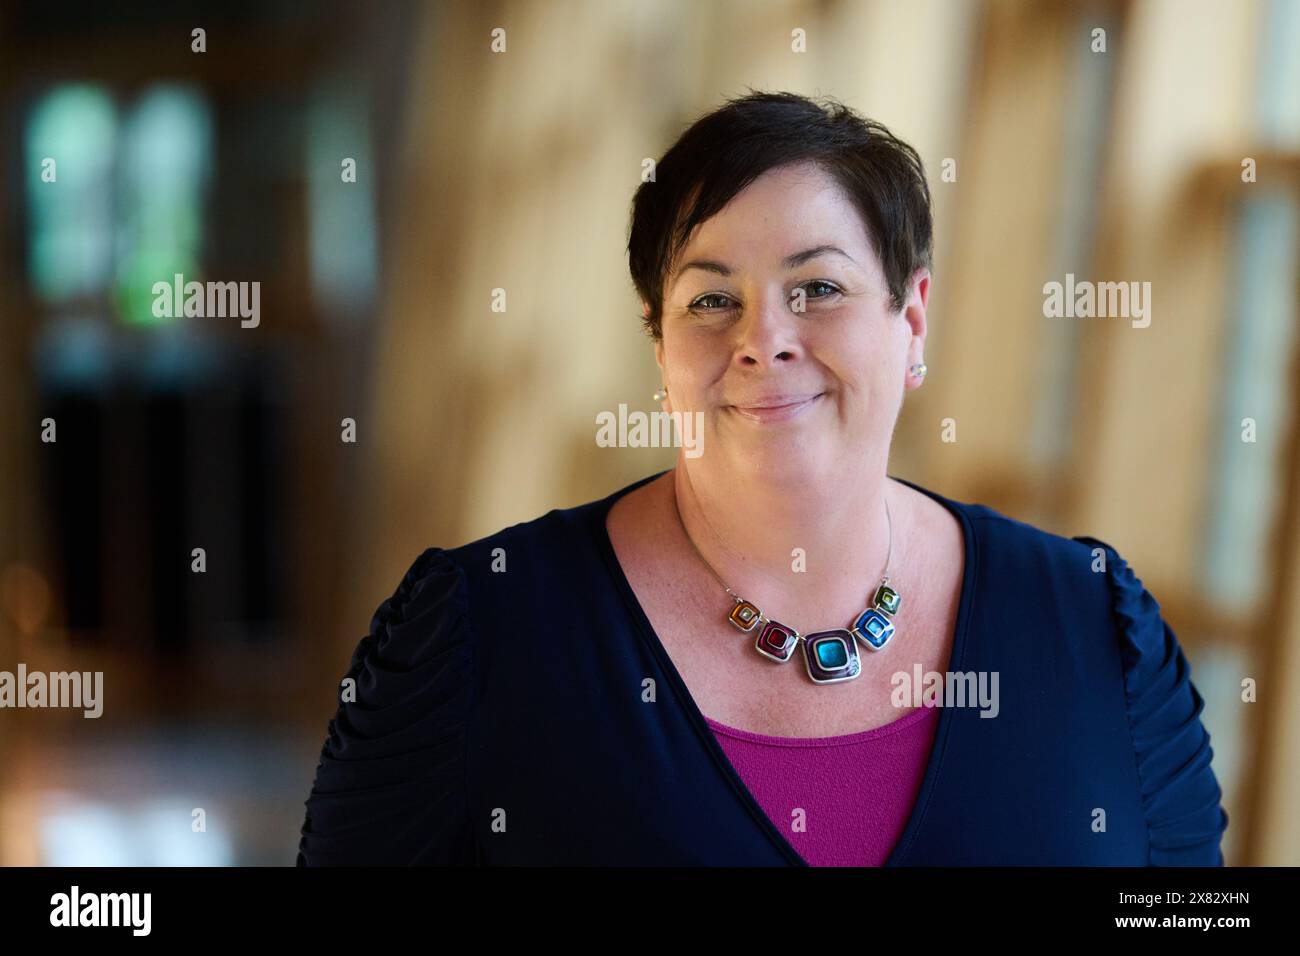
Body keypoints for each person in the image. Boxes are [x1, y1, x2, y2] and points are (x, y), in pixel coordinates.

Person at [297, 91, 1228, 866]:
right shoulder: (479, 631)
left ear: (913, 320)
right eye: (711, 300)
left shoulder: (1098, 632)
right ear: (659, 346)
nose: (763, 339)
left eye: (817, 288)